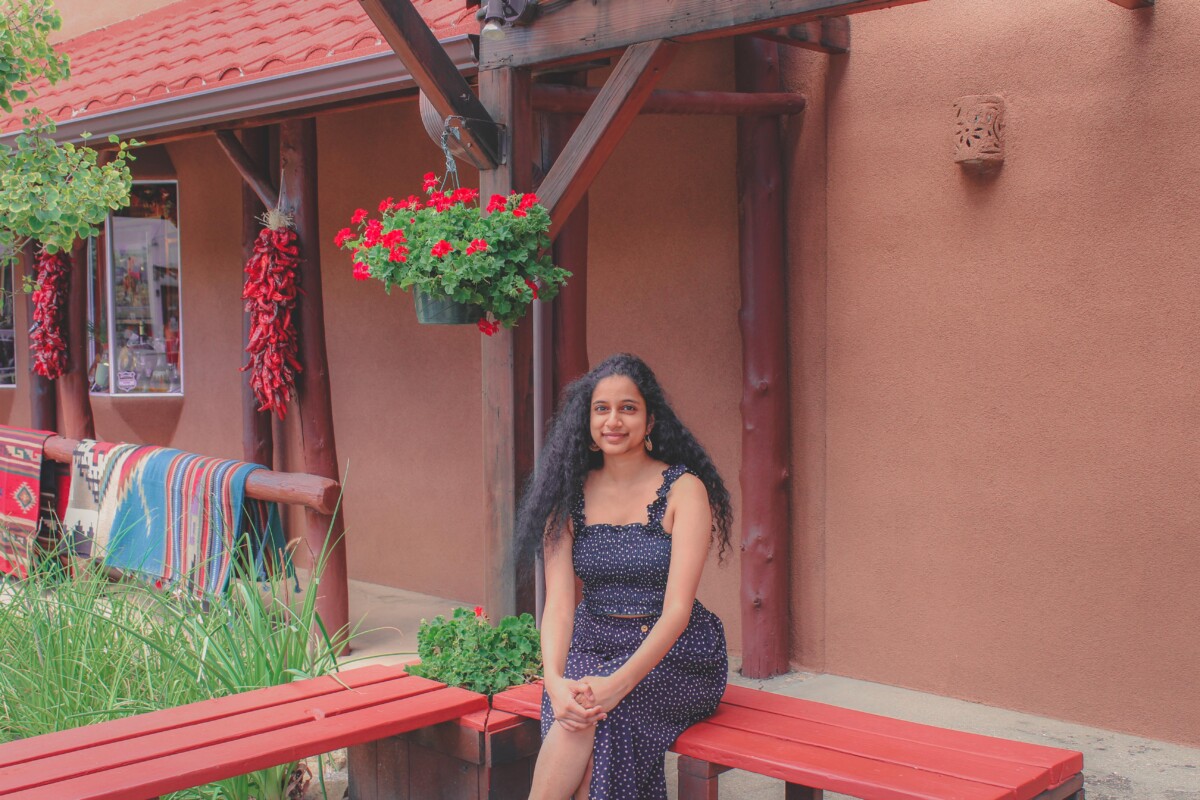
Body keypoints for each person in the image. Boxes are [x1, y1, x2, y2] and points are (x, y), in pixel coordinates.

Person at [516, 353, 733, 800]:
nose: (613, 420)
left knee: (602, 717)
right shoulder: (565, 494)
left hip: (677, 652)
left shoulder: (683, 489)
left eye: (628, 408)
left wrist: (618, 684)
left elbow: (677, 610)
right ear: (587, 419)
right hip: (594, 643)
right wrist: (553, 682)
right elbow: (557, 605)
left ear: (650, 420)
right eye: (602, 409)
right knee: (575, 712)